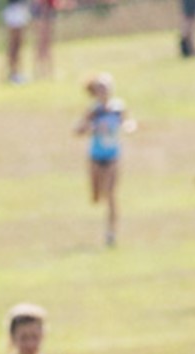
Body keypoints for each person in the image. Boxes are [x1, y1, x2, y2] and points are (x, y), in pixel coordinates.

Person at [75, 75, 136, 247]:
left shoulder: (118, 108)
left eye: (107, 88)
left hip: (112, 157)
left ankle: (111, 234)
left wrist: (128, 127)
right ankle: (106, 218)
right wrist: (93, 128)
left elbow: (128, 122)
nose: (104, 92)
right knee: (96, 197)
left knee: (110, 195)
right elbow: (78, 129)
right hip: (95, 157)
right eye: (101, 89)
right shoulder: (93, 111)